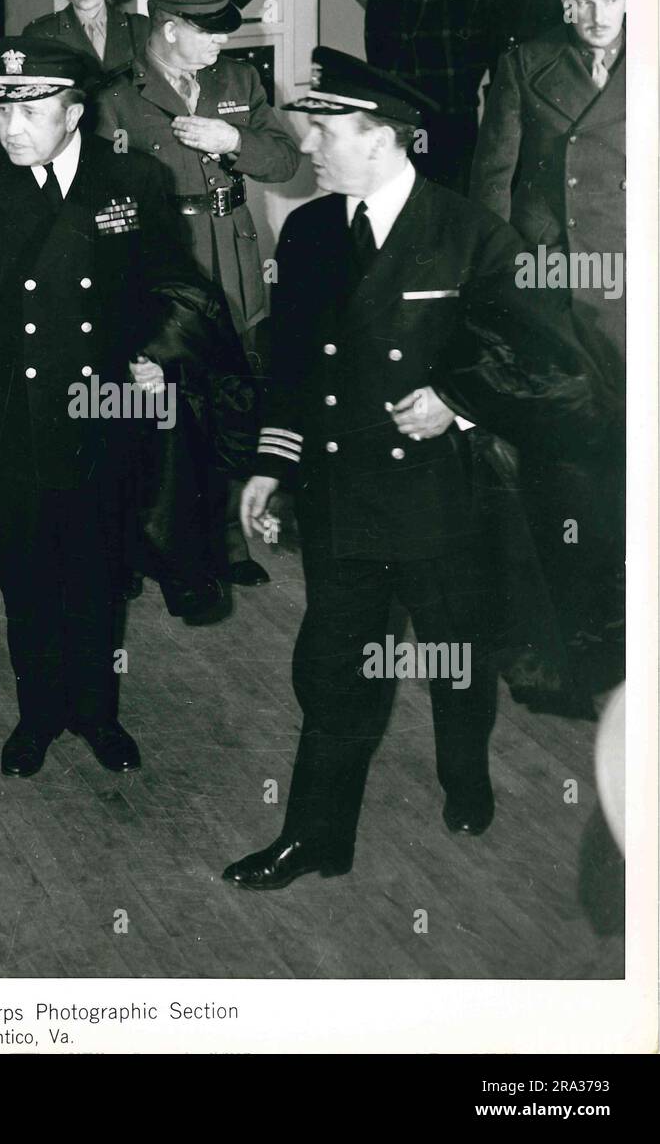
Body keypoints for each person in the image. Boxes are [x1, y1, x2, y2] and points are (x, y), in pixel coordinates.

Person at [221, 48, 605, 892]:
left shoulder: (472, 235)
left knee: (452, 653)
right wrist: (269, 464)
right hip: (338, 489)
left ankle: (463, 774)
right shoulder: (312, 229)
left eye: (326, 129)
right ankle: (314, 835)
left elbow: (560, 371)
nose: (309, 145)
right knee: (333, 662)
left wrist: (459, 402)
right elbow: (291, 365)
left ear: (386, 138)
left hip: (443, 496)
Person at [0, 39, 196, 779]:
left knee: (98, 570)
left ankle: (96, 711)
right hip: (10, 413)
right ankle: (39, 712)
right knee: (25, 575)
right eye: (5, 109)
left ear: (73, 113)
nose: (11, 127)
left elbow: (172, 286)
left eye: (32, 111)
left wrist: (160, 353)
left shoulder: (133, 181)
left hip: (102, 413)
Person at [95, 0, 301, 590]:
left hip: (234, 259)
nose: (221, 42)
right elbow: (101, 206)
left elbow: (286, 162)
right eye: (210, 30)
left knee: (232, 394)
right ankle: (135, 540)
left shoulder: (239, 80)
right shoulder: (117, 98)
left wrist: (232, 142)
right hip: (165, 265)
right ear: (168, 26)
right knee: (156, 404)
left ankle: (226, 538)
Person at [470, 0, 626, 661]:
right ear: (565, 6)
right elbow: (494, 180)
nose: (599, 16)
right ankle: (582, 617)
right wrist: (498, 285)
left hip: (632, 282)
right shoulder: (525, 64)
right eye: (584, 2)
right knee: (571, 454)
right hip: (552, 283)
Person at [364, 0, 486, 192]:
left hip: (455, 119)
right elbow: (379, 63)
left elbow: (477, 62)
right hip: (407, 120)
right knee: (409, 197)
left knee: (455, 200)